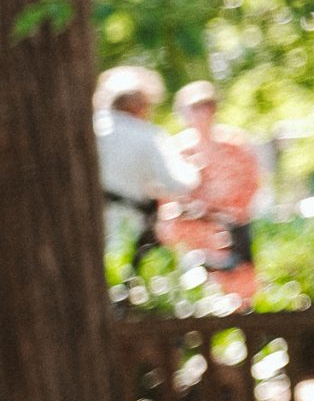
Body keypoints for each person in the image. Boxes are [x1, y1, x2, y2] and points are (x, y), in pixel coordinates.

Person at [162, 81, 264, 299]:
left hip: (231, 226)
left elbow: (251, 182)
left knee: (239, 287)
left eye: (206, 106)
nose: (201, 113)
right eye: (194, 107)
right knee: (194, 289)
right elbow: (167, 195)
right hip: (192, 232)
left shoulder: (235, 144)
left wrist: (224, 211)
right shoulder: (177, 149)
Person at [94, 65, 195, 270]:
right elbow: (177, 183)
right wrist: (192, 167)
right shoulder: (149, 136)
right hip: (128, 224)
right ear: (141, 105)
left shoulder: (89, 129)